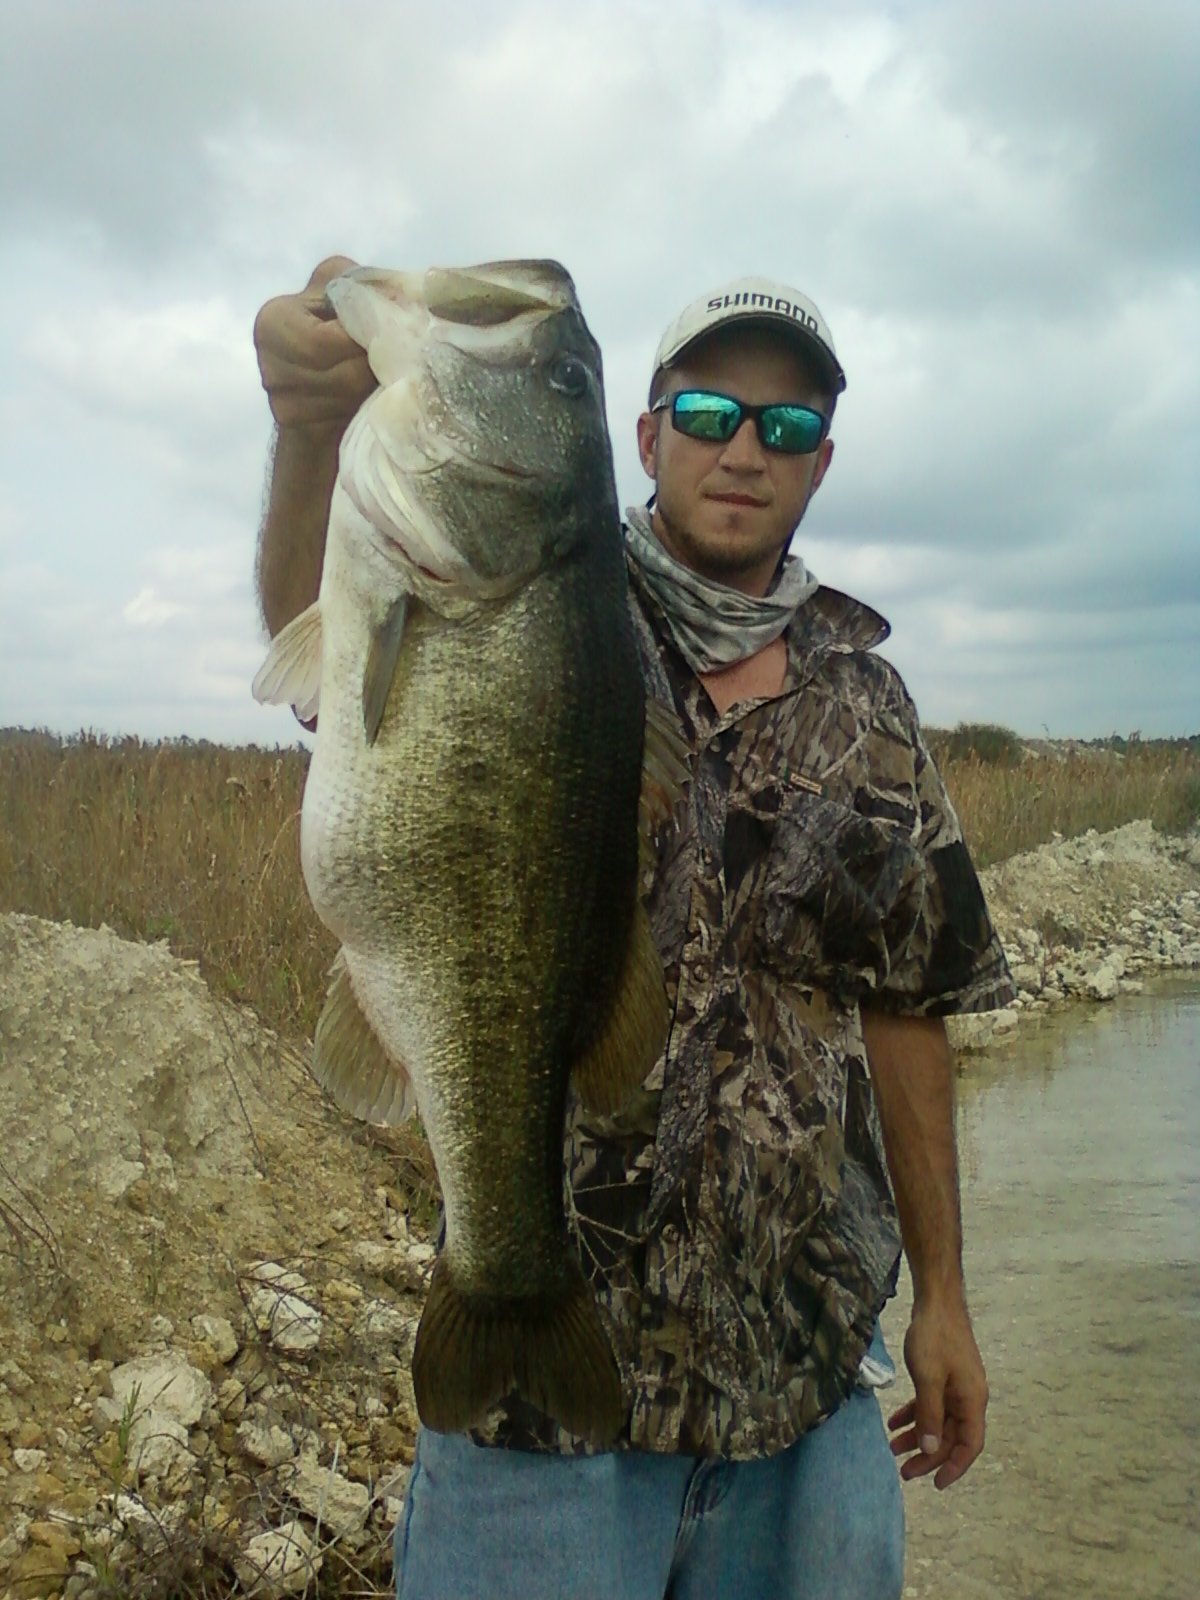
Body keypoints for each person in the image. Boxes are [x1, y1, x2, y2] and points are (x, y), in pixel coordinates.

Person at [254, 259, 1015, 1600]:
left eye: (785, 429)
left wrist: (944, 1296)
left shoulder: (871, 706)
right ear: (648, 435)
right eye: (710, 412)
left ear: (821, 464)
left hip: (808, 1377)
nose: (744, 449)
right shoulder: (553, 600)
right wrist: (310, 430)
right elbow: (308, 634)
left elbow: (907, 1006)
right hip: (547, 1403)